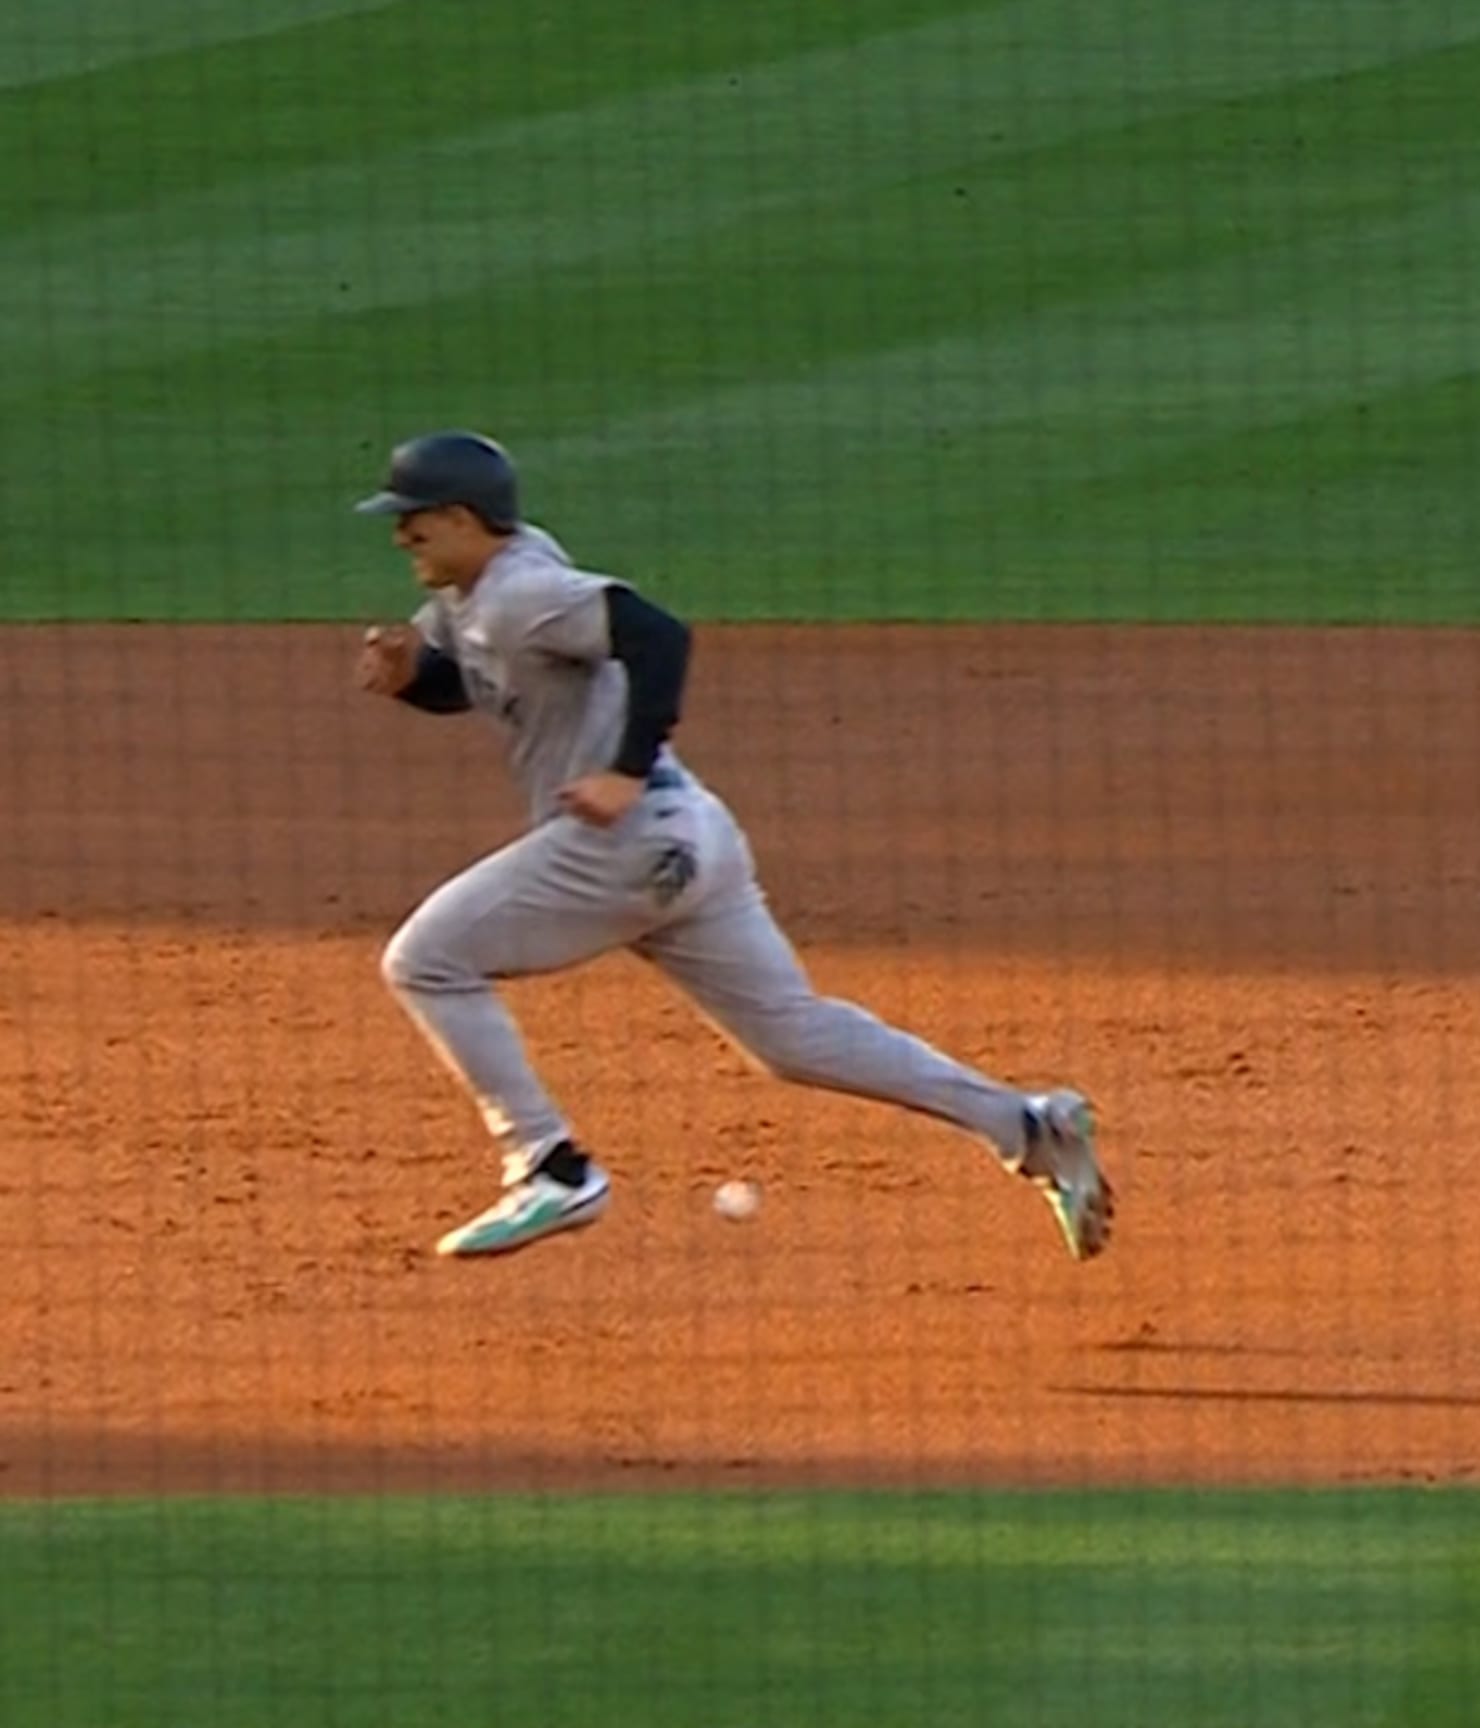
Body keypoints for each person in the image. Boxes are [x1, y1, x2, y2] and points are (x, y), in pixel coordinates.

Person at [348, 430, 1115, 1260]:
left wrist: (624, 770)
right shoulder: (481, 592)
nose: (400, 537)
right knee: (791, 1036)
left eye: (414, 522)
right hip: (692, 836)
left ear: (462, 518)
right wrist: (410, 682)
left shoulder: (522, 590)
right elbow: (483, 679)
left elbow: (657, 635)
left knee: (424, 960)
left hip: (619, 842)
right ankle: (1030, 1127)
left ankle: (548, 1164)